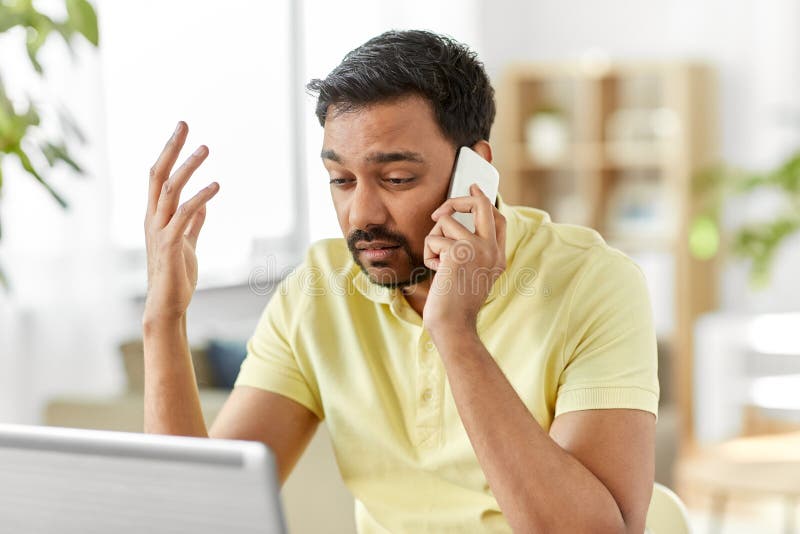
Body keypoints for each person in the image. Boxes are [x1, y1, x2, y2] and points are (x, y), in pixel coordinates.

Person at [143, 30, 659, 533]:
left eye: (396, 179)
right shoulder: (316, 290)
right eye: (341, 180)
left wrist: (454, 331)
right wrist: (164, 319)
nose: (360, 213)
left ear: (475, 172)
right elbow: (199, 519)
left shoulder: (593, 282)